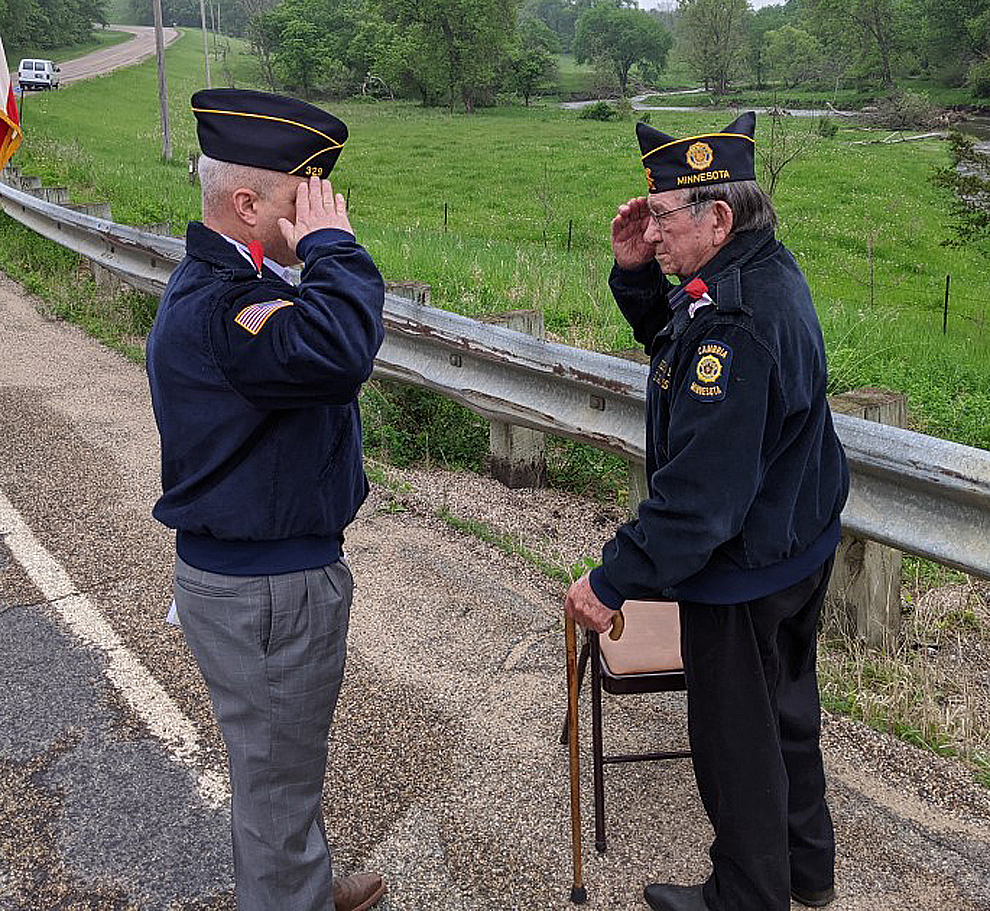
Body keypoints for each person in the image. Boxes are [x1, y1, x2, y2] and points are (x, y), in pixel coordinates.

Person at [564, 112, 848, 911]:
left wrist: (611, 580)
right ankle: (807, 867)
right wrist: (633, 273)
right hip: (798, 534)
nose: (648, 228)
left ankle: (747, 894)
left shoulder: (737, 321)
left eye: (661, 216)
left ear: (717, 218)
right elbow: (674, 336)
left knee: (736, 739)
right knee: (786, 703)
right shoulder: (755, 269)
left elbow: (700, 500)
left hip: (745, 565)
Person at [146, 88, 387, 911]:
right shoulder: (229, 305)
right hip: (267, 592)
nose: (324, 209)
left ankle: (303, 885)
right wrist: (335, 252)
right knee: (277, 784)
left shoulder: (237, 279)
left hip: (256, 579)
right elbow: (339, 350)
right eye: (305, 195)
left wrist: (310, 251)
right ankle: (290, 895)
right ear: (246, 203)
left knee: (278, 768)